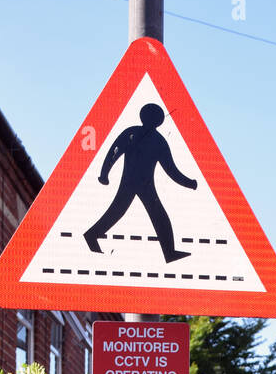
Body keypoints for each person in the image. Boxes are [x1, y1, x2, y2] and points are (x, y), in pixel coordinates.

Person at [83, 103, 197, 263]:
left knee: (150, 214)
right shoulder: (142, 136)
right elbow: (114, 152)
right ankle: (91, 235)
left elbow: (171, 169)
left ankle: (169, 252)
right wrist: (104, 174)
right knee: (123, 212)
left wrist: (189, 183)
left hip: (144, 184)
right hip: (131, 182)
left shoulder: (151, 139)